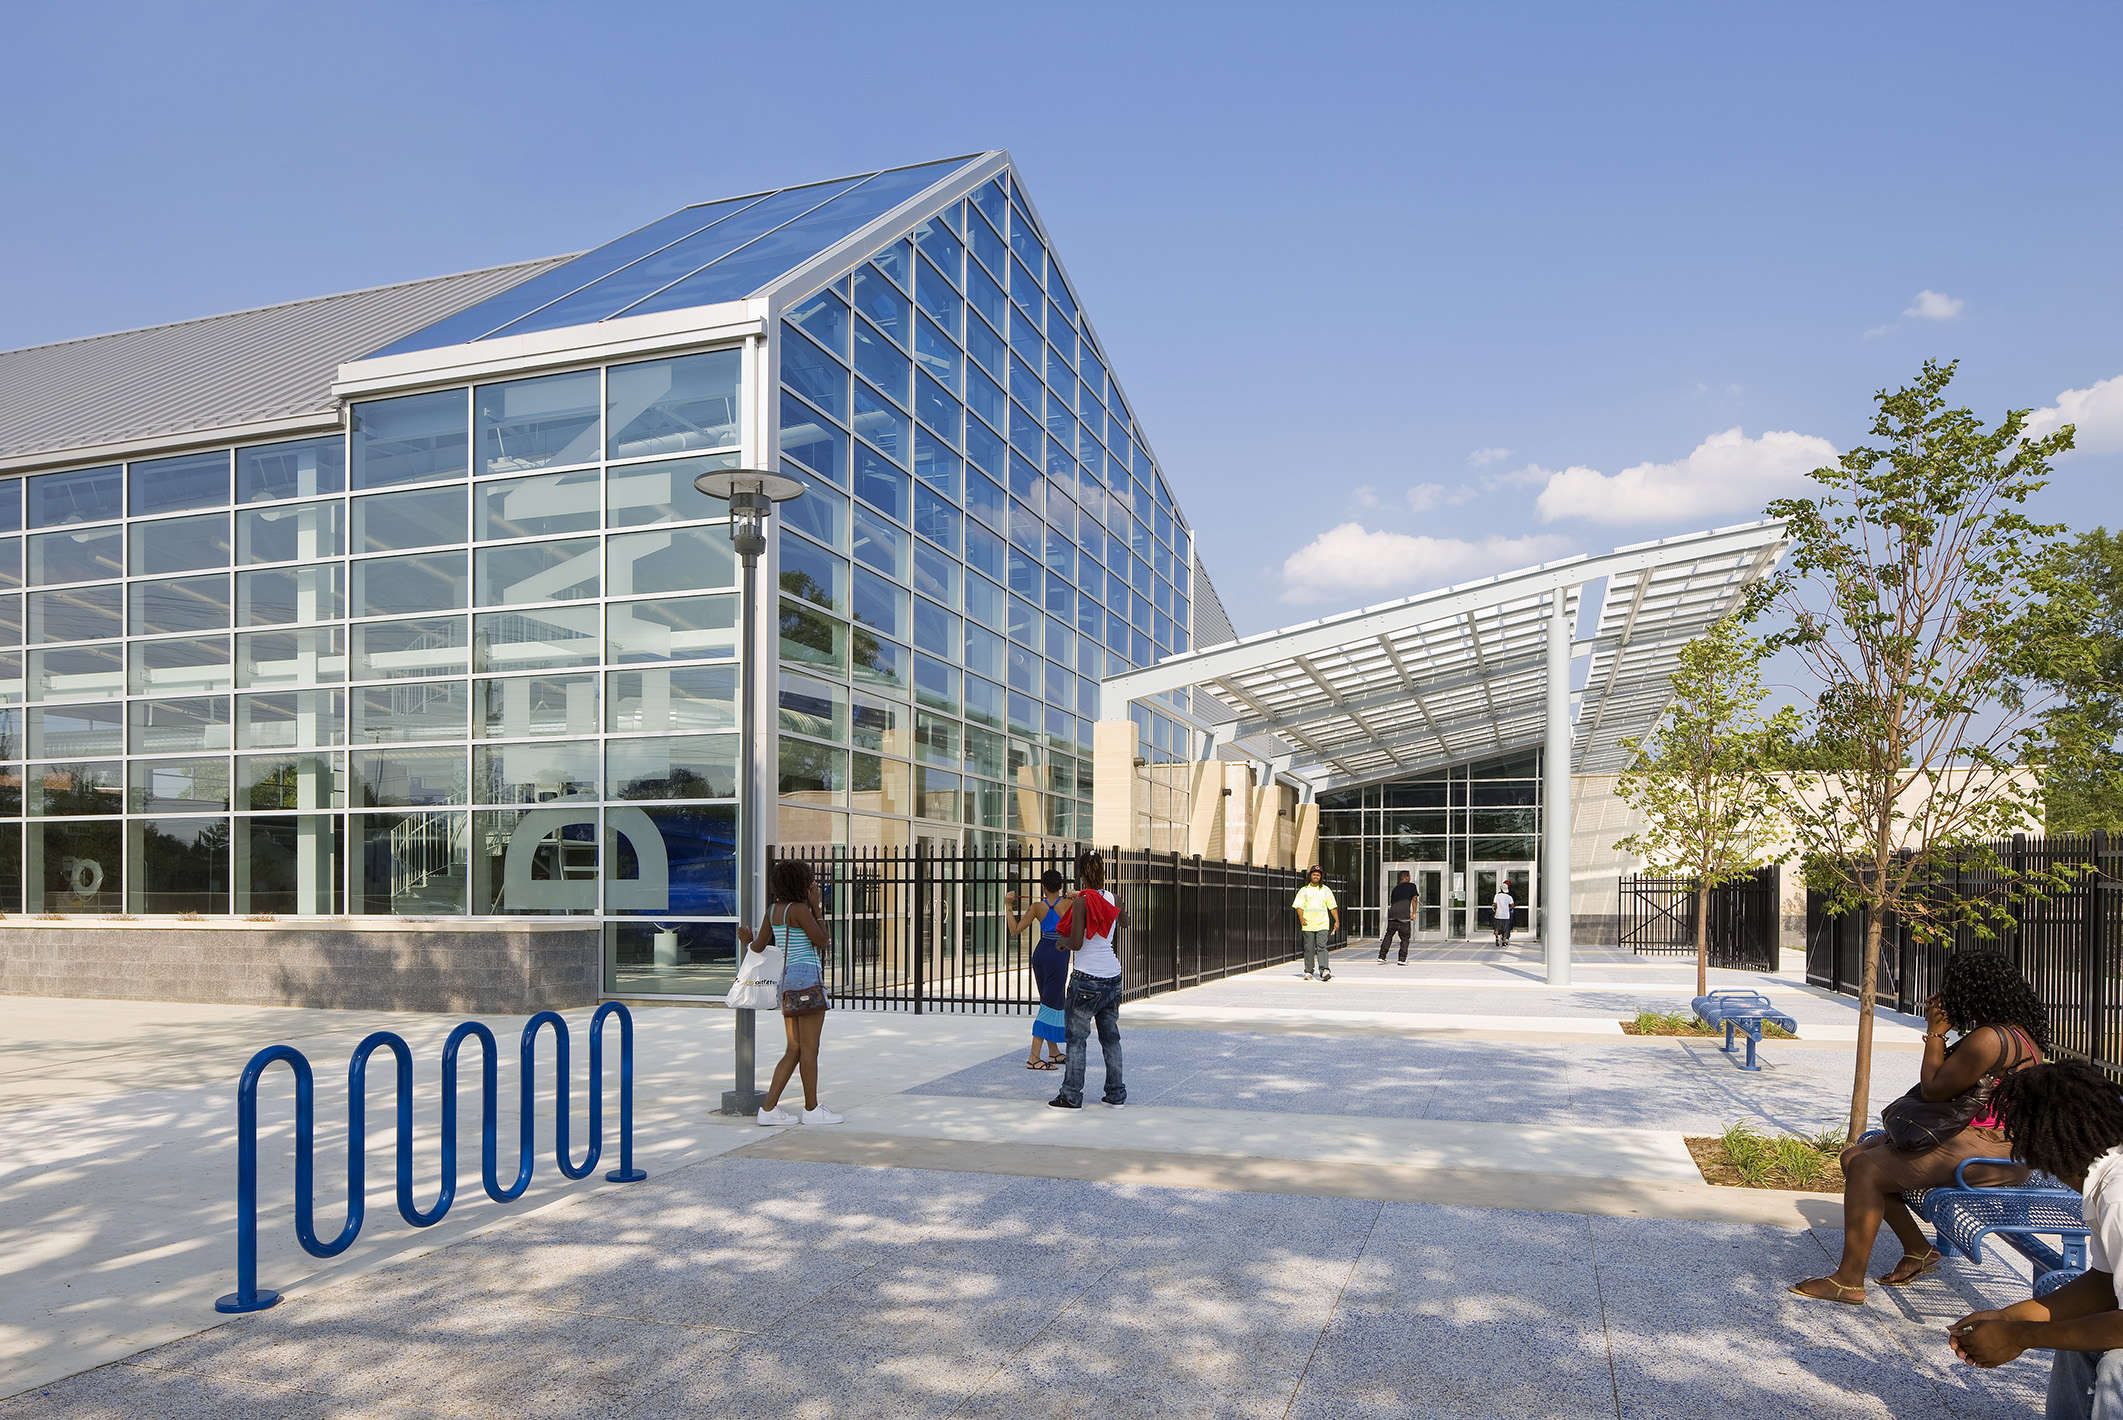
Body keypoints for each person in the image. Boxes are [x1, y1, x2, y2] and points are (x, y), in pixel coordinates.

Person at [1790, 949, 2048, 1304]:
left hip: (1990, 1151)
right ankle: (1918, 1249)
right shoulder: (2013, 1034)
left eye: (1954, 989)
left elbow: (1934, 1090)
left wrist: (1936, 1033)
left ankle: (1848, 1282)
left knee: (1866, 1169)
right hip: (1981, 1142)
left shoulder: (1991, 1039)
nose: (1947, 997)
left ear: (1972, 992)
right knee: (1853, 1157)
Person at [1947, 1060, 2123, 1417]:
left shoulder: (2118, 1197)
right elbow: (2104, 1287)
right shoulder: (2107, 1179)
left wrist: (2021, 1337)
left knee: (2116, 1365)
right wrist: (2008, 1319)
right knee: (2077, 1337)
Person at [737, 858, 843, 1127]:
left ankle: (769, 1110)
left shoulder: (774, 910)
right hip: (807, 978)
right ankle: (811, 1110)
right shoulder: (799, 910)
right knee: (810, 1049)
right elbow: (822, 941)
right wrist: (816, 906)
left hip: (788, 982)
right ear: (801, 883)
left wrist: (748, 941)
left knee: (794, 1048)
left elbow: (758, 947)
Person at [1049, 851, 1129, 1111]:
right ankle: (1116, 1095)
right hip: (1113, 977)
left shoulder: (1083, 901)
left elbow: (1076, 942)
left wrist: (1062, 943)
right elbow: (1124, 921)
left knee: (1076, 1040)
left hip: (1087, 979)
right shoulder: (1113, 898)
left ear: (1081, 874)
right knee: (1110, 1039)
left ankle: (1071, 1096)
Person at [1008, 869, 1075, 1071]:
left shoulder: (1037, 907)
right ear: (1061, 886)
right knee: (1049, 1004)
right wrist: (1075, 895)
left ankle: (1053, 1053)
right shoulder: (1069, 904)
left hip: (1041, 954)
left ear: (1044, 887)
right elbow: (1088, 908)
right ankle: (1033, 1057)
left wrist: (1008, 906)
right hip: (1058, 954)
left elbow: (1015, 930)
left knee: (1052, 1001)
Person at [1293, 866, 1339, 981]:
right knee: (1309, 948)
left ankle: (1324, 970)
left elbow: (1332, 907)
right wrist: (1301, 918)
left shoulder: (1326, 890)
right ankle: (1308, 971)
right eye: (1314, 874)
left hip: (1322, 923)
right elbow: (1299, 906)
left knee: (1322, 947)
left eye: (1318, 875)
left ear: (1321, 877)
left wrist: (1336, 920)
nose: (1316, 876)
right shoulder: (1304, 890)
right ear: (1310, 876)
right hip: (1308, 924)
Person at [1379, 870, 1417, 964]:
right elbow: (1414, 899)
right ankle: (1402, 959)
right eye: (1409, 876)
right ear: (1407, 877)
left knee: (1388, 935)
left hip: (1392, 915)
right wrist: (1414, 913)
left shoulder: (1395, 888)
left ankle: (1382, 956)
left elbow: (1392, 902)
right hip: (1404, 916)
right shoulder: (1412, 886)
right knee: (1405, 937)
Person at [1492, 882, 1515, 947]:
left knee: (1496, 928)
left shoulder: (1496, 896)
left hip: (1498, 915)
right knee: (1506, 930)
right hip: (1506, 916)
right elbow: (1512, 905)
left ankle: (1497, 937)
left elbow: (1494, 904)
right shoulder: (1509, 897)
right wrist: (1508, 909)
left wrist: (1496, 909)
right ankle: (1503, 941)